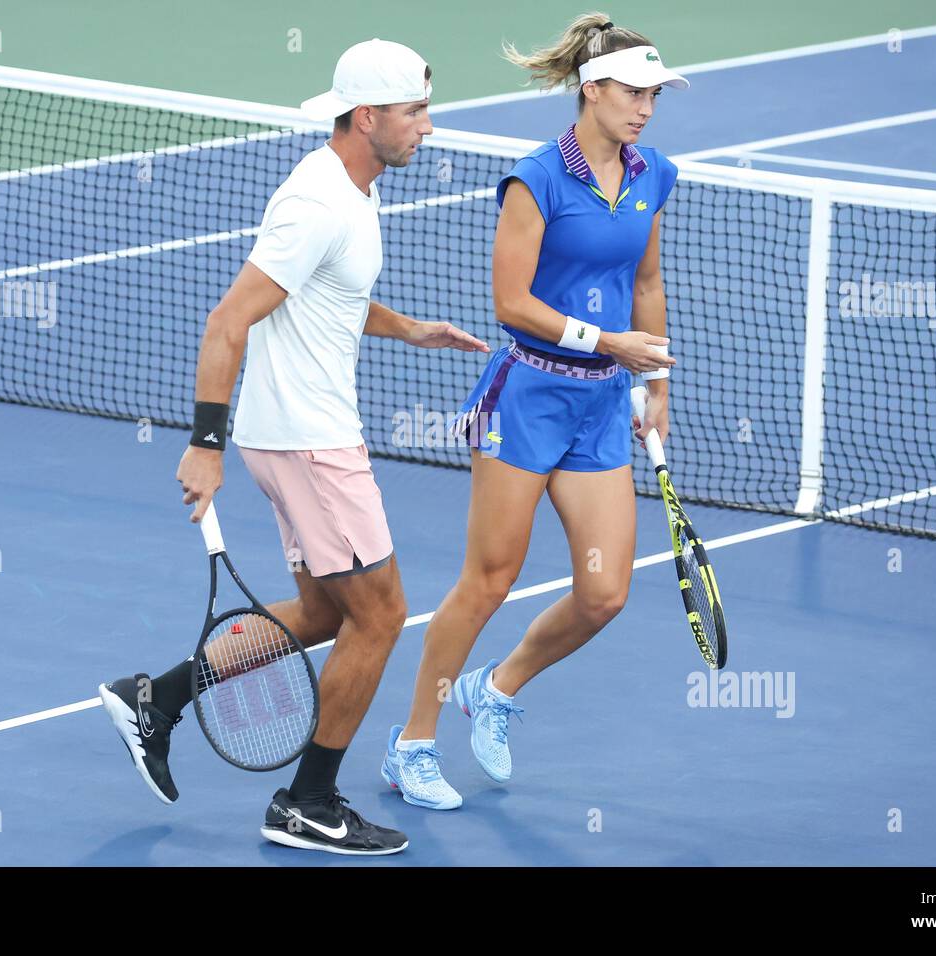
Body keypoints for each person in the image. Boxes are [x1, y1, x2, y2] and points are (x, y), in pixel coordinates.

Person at [99, 38, 488, 854]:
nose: (428, 128)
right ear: (368, 116)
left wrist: (407, 328)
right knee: (381, 616)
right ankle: (309, 801)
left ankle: (155, 698)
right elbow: (227, 320)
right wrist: (204, 444)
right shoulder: (319, 200)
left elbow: (329, 290)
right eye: (415, 113)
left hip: (295, 440)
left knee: (321, 611)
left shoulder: (352, 189)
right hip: (311, 443)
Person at [381, 13, 686, 810]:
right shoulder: (535, 179)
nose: (646, 108)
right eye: (633, 92)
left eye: (655, 95)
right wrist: (604, 340)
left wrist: (653, 383)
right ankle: (412, 743)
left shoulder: (654, 173)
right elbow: (510, 302)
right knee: (488, 580)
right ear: (592, 91)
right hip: (527, 400)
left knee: (605, 594)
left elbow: (646, 281)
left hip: (602, 405)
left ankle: (498, 686)